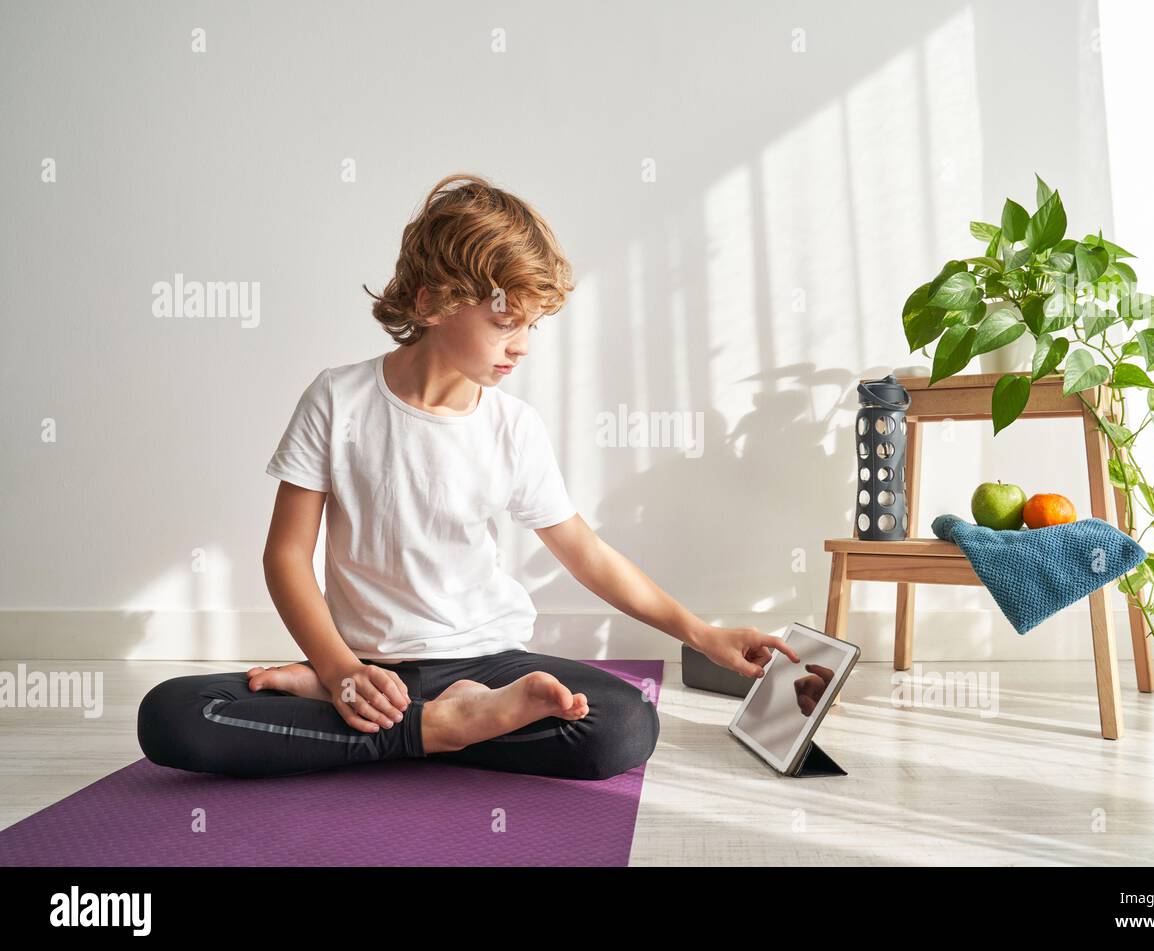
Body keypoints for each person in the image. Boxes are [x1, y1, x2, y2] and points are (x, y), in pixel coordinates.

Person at [137, 173, 798, 781]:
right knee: (173, 713)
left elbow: (586, 554)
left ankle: (419, 722)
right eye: (506, 322)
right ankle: (445, 724)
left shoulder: (513, 427)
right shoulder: (338, 400)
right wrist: (338, 670)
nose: (523, 346)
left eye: (532, 326)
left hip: (487, 659)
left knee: (623, 726)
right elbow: (286, 555)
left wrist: (704, 634)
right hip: (366, 663)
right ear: (431, 303)